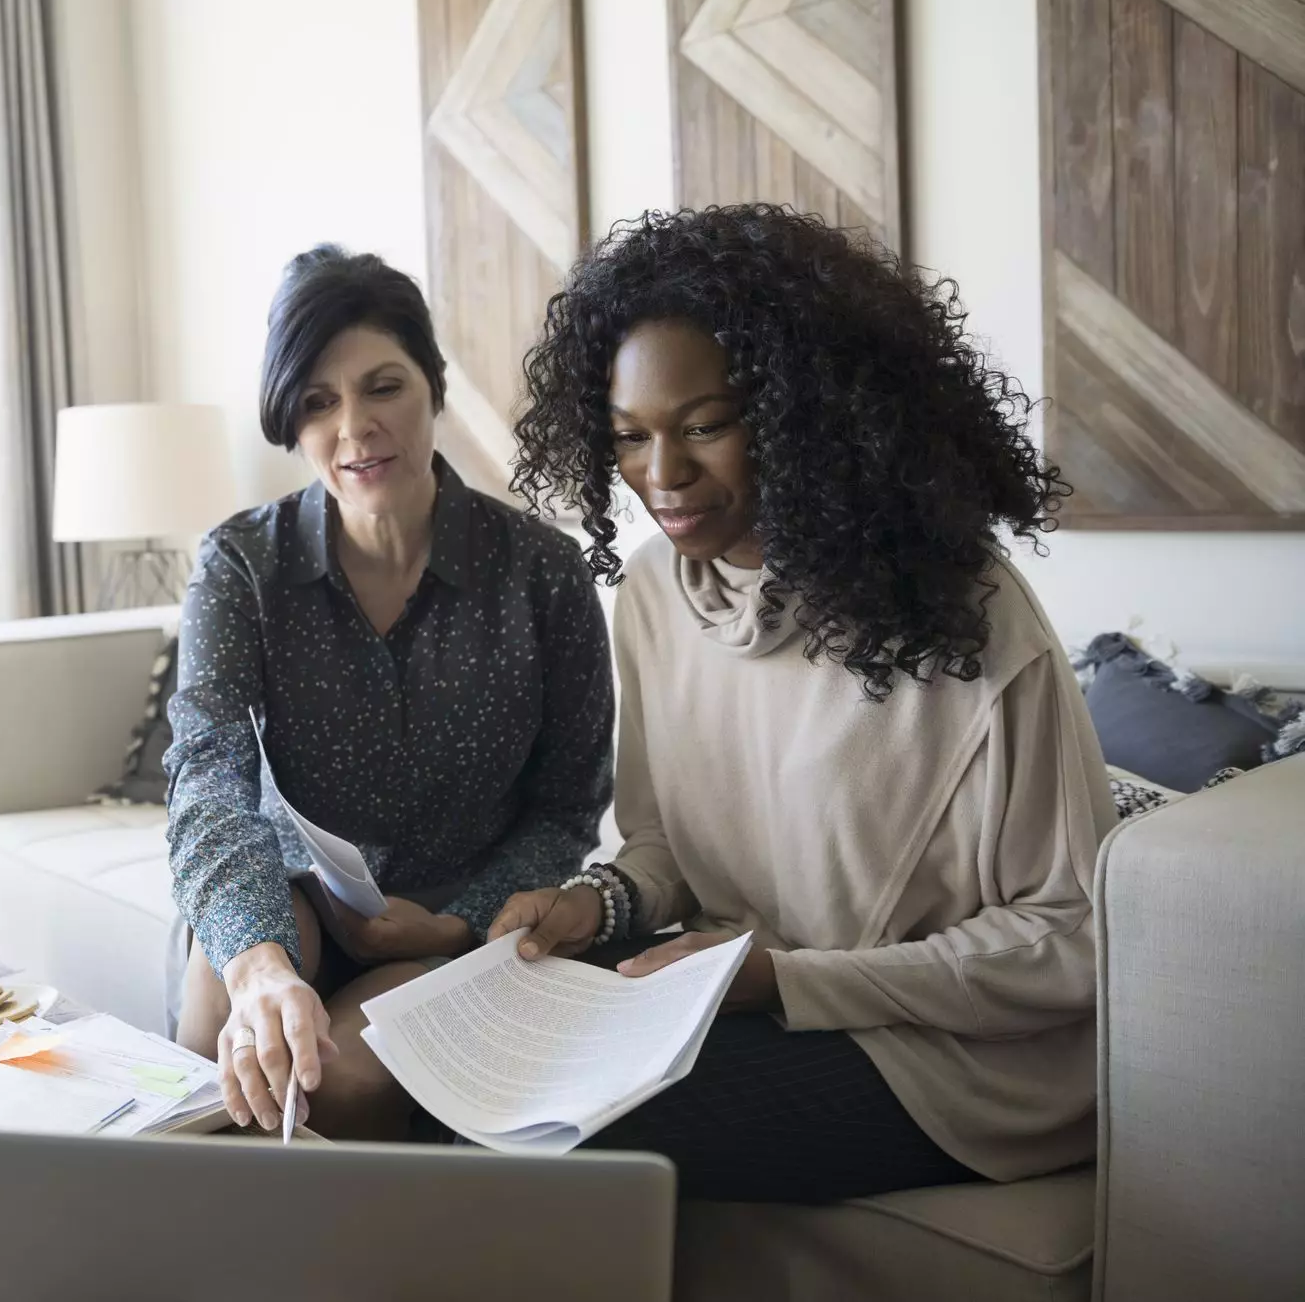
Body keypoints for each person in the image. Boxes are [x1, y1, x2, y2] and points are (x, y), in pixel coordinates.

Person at [492, 204, 1112, 1203]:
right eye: (628, 437)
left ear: (803, 412)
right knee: (468, 1091)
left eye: (705, 426)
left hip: (957, 1059)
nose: (663, 475)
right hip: (743, 995)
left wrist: (786, 981)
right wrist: (592, 904)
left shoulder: (963, 606)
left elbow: (1075, 933)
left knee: (566, 1135)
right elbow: (664, 854)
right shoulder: (654, 593)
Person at [165, 244, 612, 1140]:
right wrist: (257, 963)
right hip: (285, 893)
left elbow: (567, 810)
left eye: (382, 387)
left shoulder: (544, 575)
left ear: (432, 388)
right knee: (226, 1046)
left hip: (457, 929)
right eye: (318, 403)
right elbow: (207, 777)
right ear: (291, 423)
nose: (354, 428)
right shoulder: (240, 565)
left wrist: (458, 923)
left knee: (320, 1088)